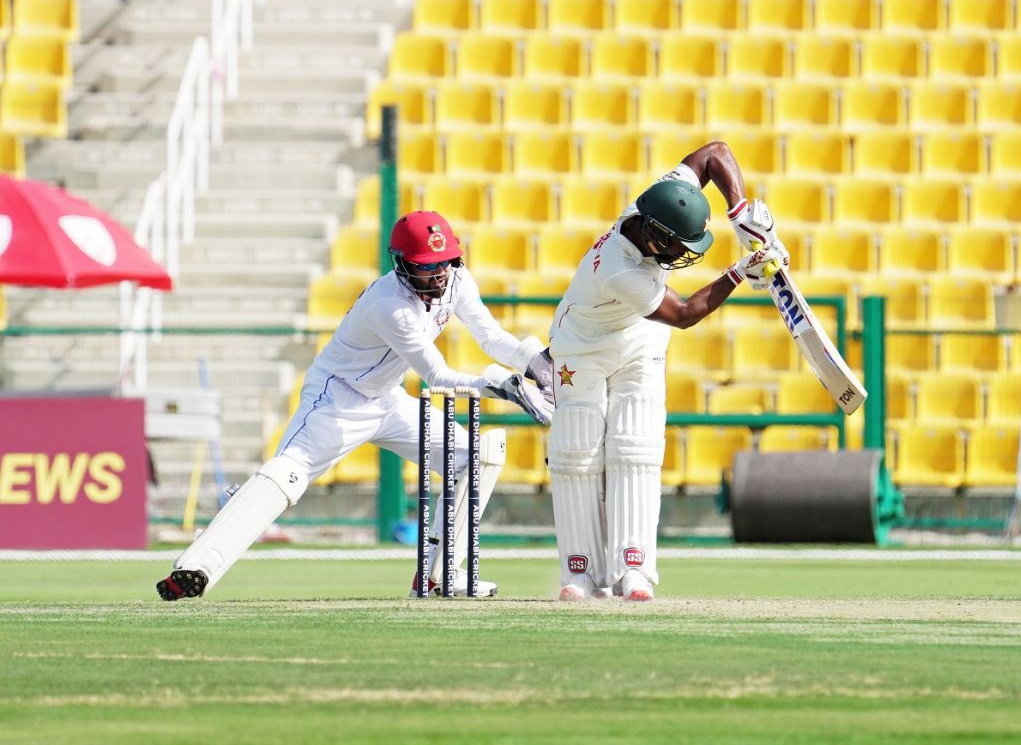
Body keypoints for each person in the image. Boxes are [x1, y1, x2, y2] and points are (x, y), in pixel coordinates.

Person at [157, 210, 554, 601]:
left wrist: (534, 363)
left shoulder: (456, 280)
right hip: (337, 399)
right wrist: (502, 385)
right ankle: (195, 566)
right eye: (425, 267)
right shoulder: (390, 305)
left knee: (477, 456)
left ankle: (438, 574)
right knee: (286, 477)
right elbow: (438, 377)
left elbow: (490, 336)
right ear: (401, 266)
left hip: (388, 399)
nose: (438, 275)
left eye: (444, 263)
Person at [547, 141, 787, 602]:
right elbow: (684, 313)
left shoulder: (661, 197)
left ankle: (633, 569)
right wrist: (740, 272)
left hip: (640, 338)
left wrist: (739, 212)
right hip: (581, 348)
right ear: (656, 236)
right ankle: (579, 573)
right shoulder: (619, 268)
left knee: (635, 448)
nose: (687, 252)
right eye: (681, 244)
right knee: (578, 453)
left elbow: (714, 153)